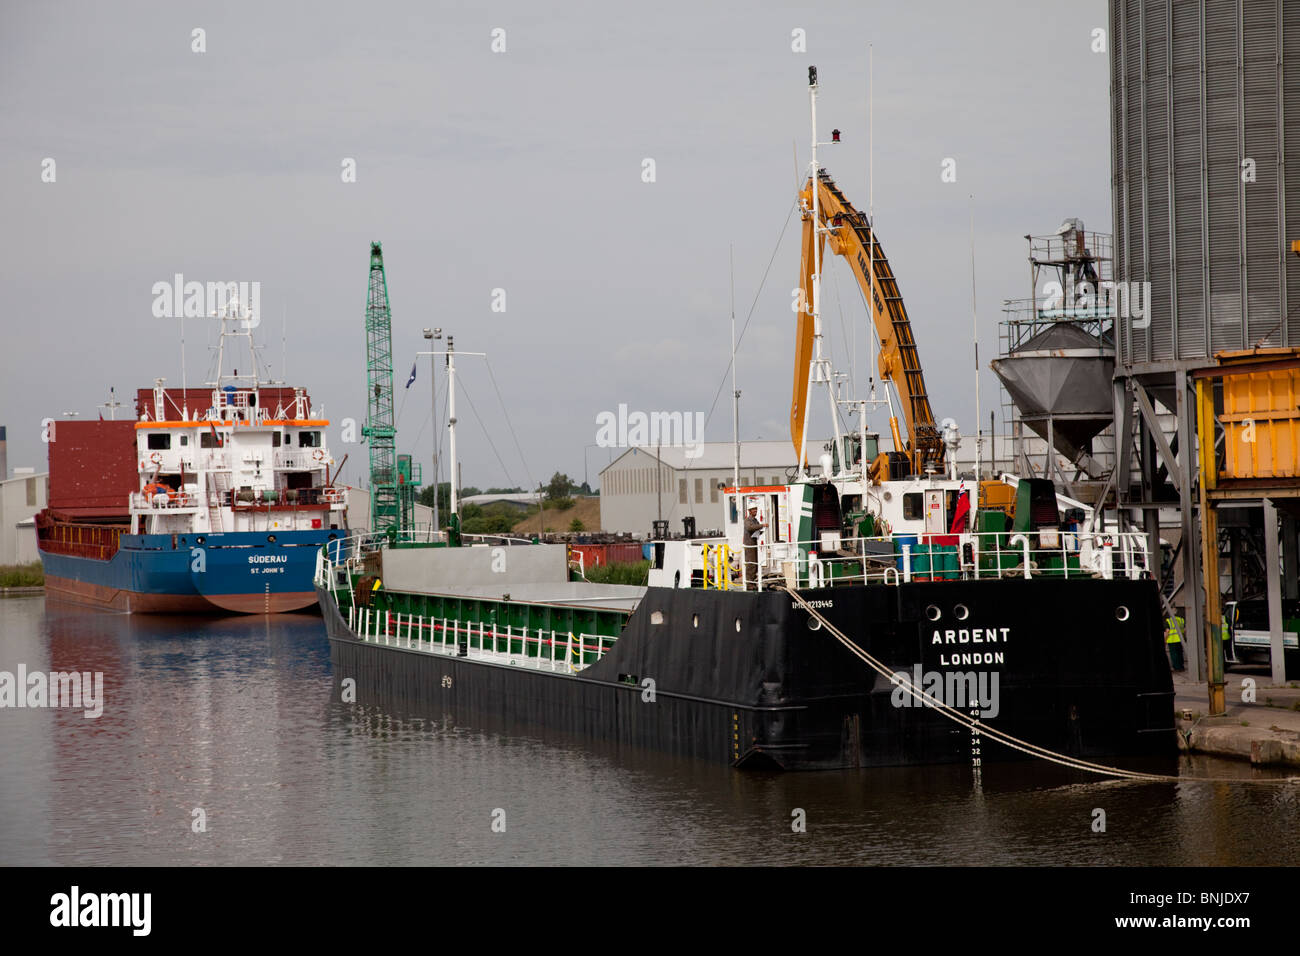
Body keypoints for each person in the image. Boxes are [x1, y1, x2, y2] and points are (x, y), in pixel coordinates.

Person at [743, 505, 766, 590]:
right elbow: (750, 528)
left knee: (755, 563)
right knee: (751, 564)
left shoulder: (755, 520)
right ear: (749, 511)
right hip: (749, 544)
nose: (755, 511)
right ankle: (749, 583)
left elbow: (755, 529)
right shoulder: (747, 520)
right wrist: (762, 525)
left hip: (754, 543)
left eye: (756, 509)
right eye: (753, 509)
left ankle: (752, 582)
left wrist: (760, 532)